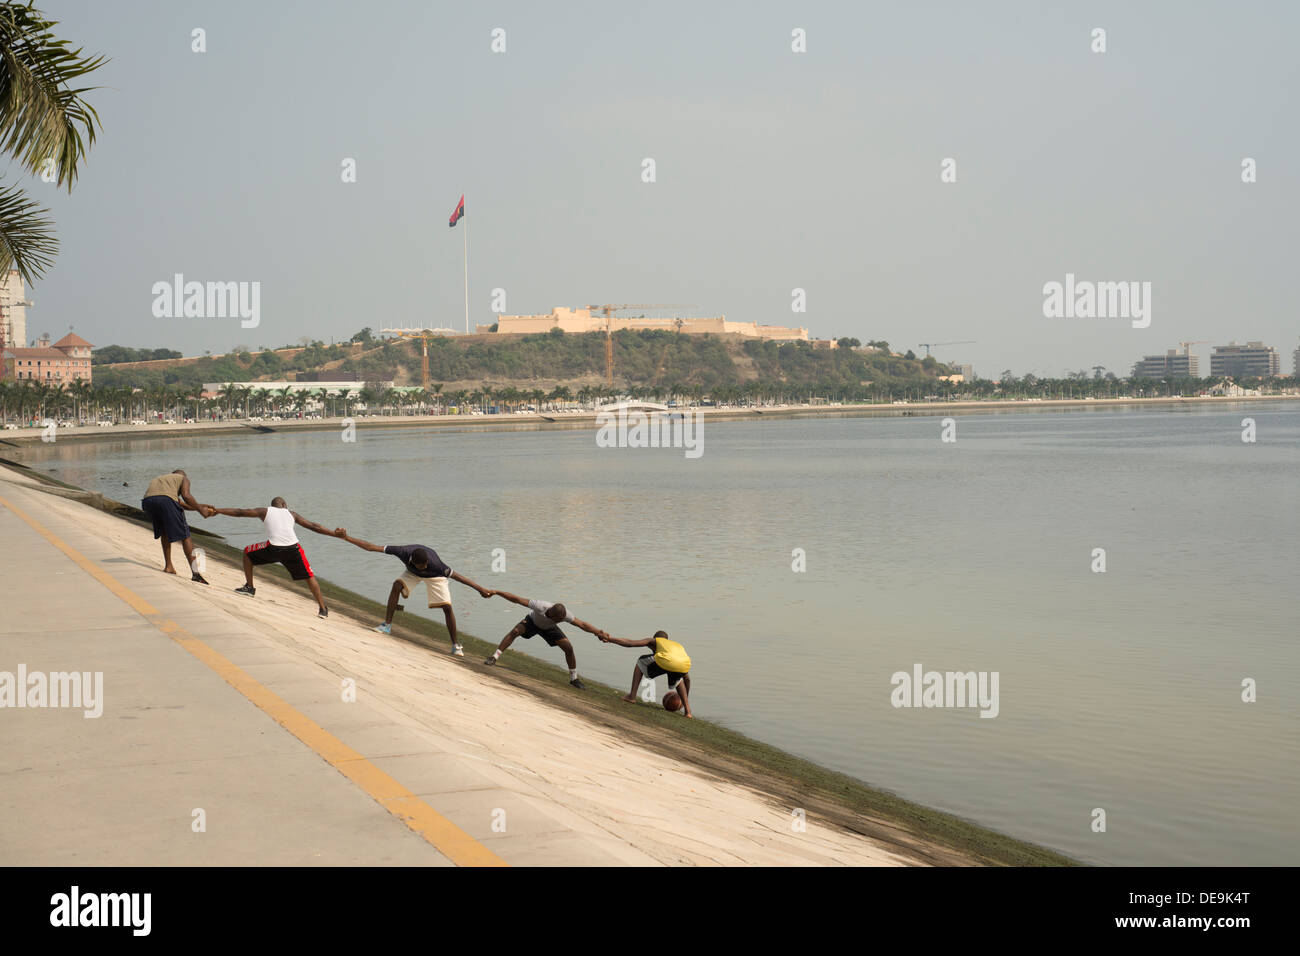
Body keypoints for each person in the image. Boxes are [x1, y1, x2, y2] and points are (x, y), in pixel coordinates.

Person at [335, 532, 493, 656]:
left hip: (435, 577)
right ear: (412, 561)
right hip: (411, 573)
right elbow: (371, 547)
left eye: (425, 565)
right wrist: (346, 537)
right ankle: (387, 626)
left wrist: (480, 589)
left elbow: (459, 577)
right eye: (421, 566)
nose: (423, 568)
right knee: (397, 585)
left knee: (447, 607)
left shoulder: (437, 565)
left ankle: (455, 645)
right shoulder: (403, 552)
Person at [209, 497, 344, 617]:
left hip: (274, 548)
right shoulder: (292, 514)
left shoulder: (264, 511)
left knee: (247, 552)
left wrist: (218, 510)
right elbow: (314, 526)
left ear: (272, 506)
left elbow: (240, 512)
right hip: (293, 549)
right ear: (284, 505)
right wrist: (334, 533)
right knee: (309, 577)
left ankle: (250, 587)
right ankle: (322, 608)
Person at [484, 590, 607, 690]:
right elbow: (516, 599)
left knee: (568, 648)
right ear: (551, 614)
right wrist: (496, 592)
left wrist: (598, 632)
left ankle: (574, 679)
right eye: (559, 619)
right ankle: (494, 657)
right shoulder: (540, 606)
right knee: (515, 631)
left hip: (549, 628)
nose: (561, 621)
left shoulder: (565, 615)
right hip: (532, 622)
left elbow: (582, 624)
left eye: (561, 619)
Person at [140, 469, 213, 583]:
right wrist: (201, 511)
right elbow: (186, 496)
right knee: (185, 535)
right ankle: (196, 573)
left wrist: (201, 506)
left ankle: (168, 566)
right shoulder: (183, 478)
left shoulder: (162, 480)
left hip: (147, 502)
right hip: (166, 501)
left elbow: (181, 503)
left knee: (164, 531)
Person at [600, 630, 694, 718]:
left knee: (641, 661)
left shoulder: (654, 641)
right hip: (683, 664)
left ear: (656, 639)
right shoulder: (676, 646)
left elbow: (630, 643)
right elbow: (688, 680)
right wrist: (685, 699)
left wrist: (610, 639)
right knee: (679, 678)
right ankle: (688, 711)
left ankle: (632, 696)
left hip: (666, 661)